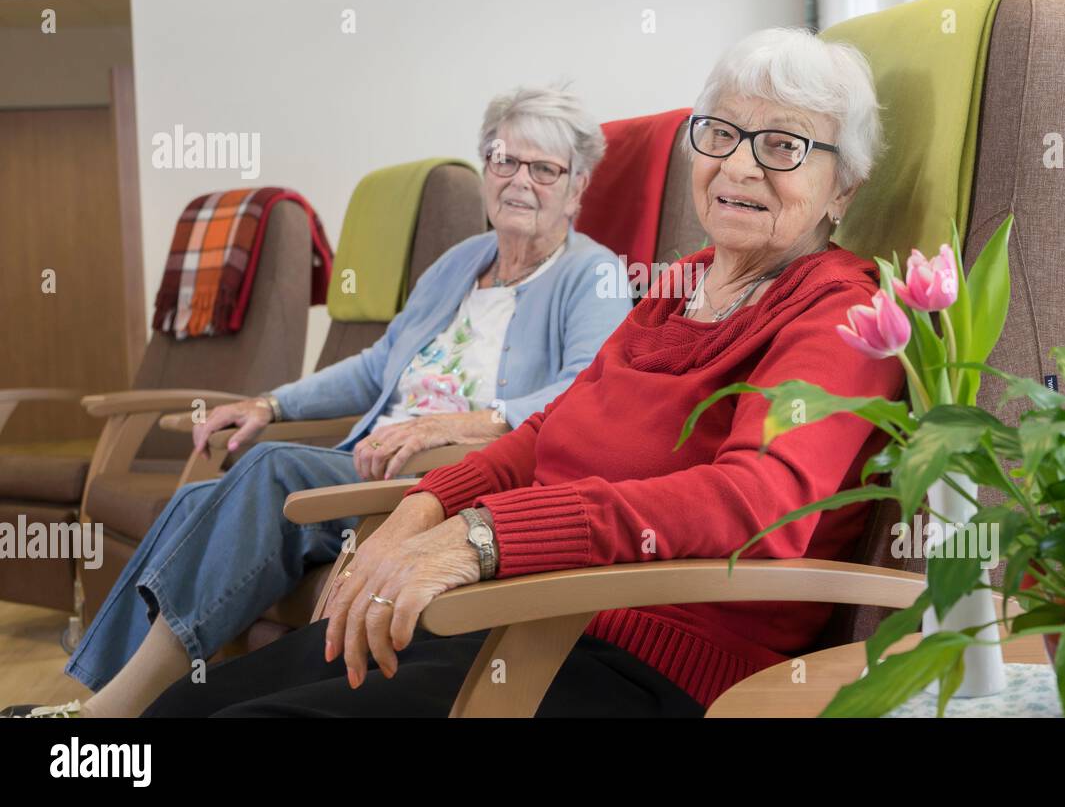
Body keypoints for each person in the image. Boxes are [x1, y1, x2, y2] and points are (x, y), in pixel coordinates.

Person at [144, 26, 906, 718]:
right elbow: (551, 430)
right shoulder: (682, 285)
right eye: (723, 134)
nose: (740, 164)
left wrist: (485, 536)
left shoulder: (840, 314)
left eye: (784, 146)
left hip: (649, 662)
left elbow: (757, 506)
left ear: (844, 187)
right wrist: (421, 509)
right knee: (184, 708)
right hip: (528, 613)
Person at [2, 85, 629, 718]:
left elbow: (590, 394)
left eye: (544, 168)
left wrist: (472, 421)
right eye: (504, 160)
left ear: (576, 189)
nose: (520, 180)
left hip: (454, 480)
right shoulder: (462, 262)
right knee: (197, 498)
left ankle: (108, 719)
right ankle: (111, 704)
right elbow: (378, 364)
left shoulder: (591, 276)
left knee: (270, 470)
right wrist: (271, 405)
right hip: (374, 461)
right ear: (486, 171)